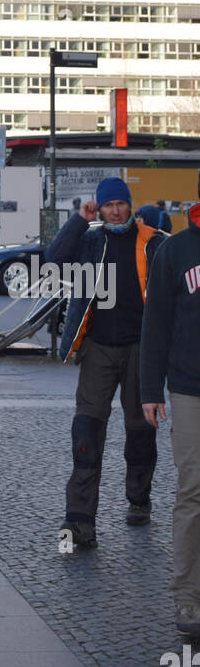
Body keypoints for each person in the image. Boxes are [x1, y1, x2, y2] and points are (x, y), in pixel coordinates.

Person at [49, 177, 166, 549]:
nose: (115, 210)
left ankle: (139, 499)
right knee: (86, 432)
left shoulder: (154, 242)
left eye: (120, 203)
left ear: (130, 205)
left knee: (140, 431)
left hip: (140, 349)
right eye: (107, 205)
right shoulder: (90, 239)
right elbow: (54, 260)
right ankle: (80, 522)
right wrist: (78, 220)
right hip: (97, 347)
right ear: (98, 208)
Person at [140, 201, 200, 636]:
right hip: (188, 389)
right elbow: (156, 322)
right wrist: (149, 389)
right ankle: (188, 599)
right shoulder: (175, 250)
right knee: (193, 493)